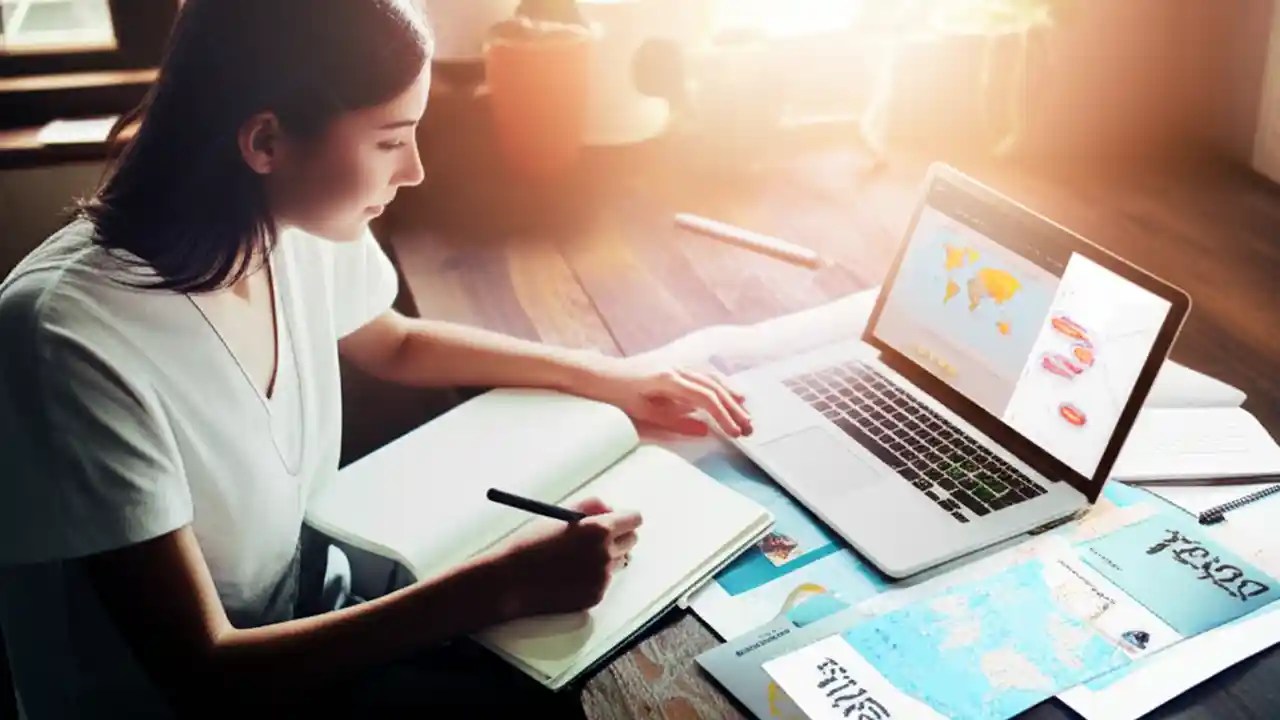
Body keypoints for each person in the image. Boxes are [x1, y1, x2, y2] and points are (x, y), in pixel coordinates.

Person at [0, 1, 752, 717]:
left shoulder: (282, 216)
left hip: (315, 627)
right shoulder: (68, 338)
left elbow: (393, 341)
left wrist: (604, 375)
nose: (415, 169)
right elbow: (206, 675)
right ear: (265, 142)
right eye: (390, 141)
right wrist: (501, 588)